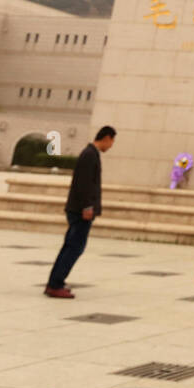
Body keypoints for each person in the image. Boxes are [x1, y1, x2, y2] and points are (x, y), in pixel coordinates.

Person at [44, 126, 116, 299]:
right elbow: (84, 184)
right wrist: (87, 207)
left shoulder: (91, 154)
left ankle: (56, 282)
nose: (111, 145)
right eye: (112, 141)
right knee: (74, 247)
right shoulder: (90, 155)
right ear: (106, 138)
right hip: (80, 210)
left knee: (71, 246)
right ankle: (55, 284)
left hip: (79, 209)